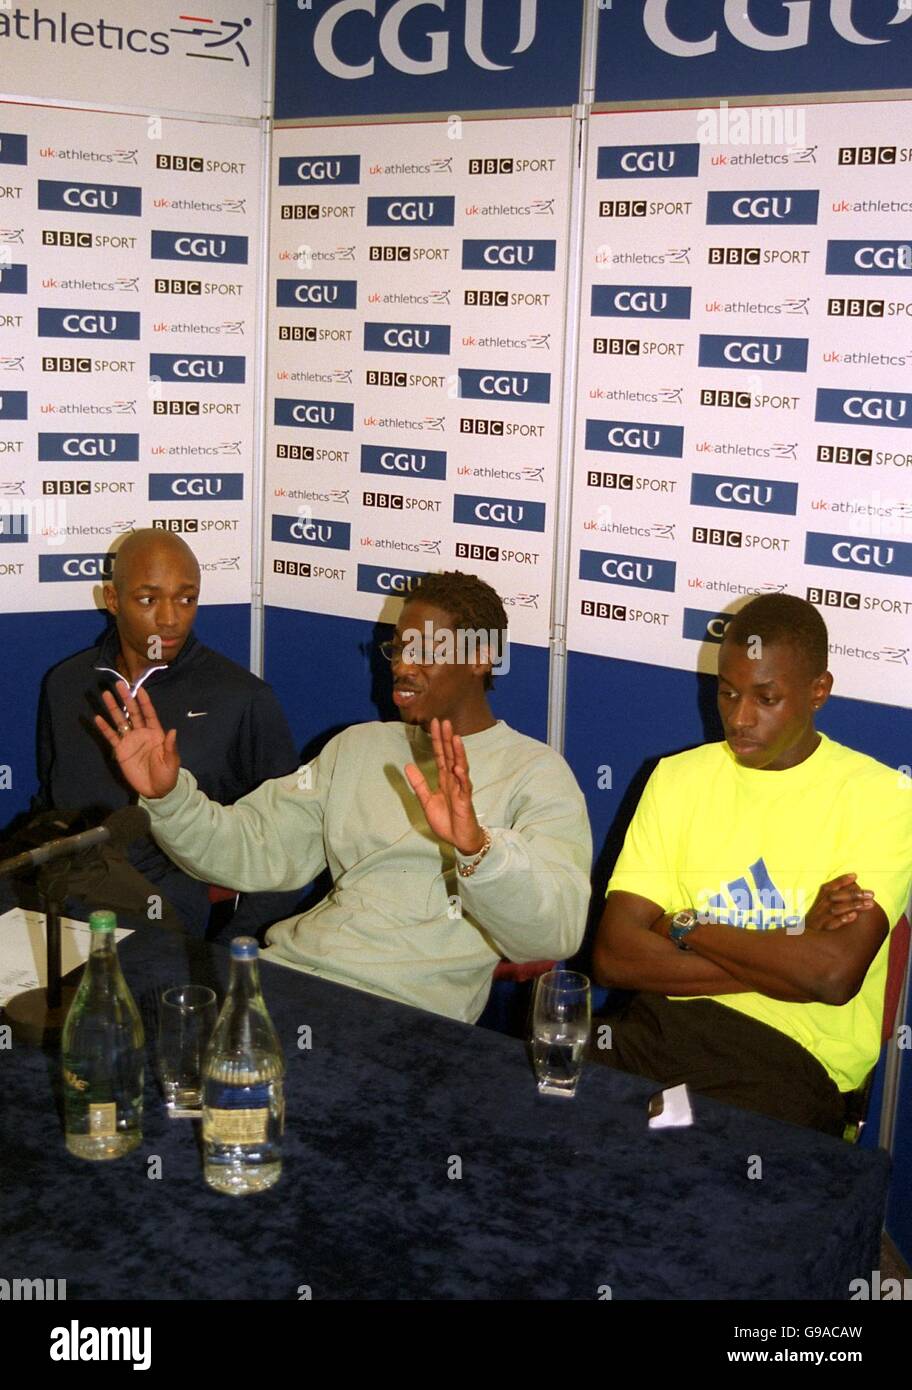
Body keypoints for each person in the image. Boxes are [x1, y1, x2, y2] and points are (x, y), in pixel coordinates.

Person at [94, 571, 592, 1023]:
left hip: (405, 1015)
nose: (404, 666)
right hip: (289, 978)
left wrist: (476, 848)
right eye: (398, 648)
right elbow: (255, 849)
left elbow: (554, 934)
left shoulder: (536, 773)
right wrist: (168, 797)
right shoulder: (360, 746)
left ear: (481, 658)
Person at [588, 593, 912, 1135]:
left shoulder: (883, 798)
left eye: (766, 698)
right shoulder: (676, 778)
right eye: (728, 693)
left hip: (790, 1063)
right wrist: (790, 946)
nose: (739, 718)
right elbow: (615, 957)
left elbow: (831, 976)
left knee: (697, 1195)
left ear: (818, 692)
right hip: (656, 1031)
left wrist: (686, 926)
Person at [32, 528, 303, 936]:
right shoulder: (67, 684)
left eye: (186, 598)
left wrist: (224, 952)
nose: (170, 618)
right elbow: (50, 801)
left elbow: (287, 846)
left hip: (174, 927)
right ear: (111, 600)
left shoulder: (243, 698)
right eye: (148, 599)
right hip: (67, 908)